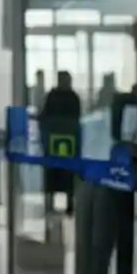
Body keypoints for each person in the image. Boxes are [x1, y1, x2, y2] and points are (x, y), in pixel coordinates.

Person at [40, 71, 83, 214]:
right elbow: (77, 119)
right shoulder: (73, 97)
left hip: (53, 142)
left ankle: (50, 202)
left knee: (52, 172)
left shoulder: (52, 96)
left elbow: (44, 117)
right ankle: (69, 203)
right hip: (70, 142)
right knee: (69, 173)